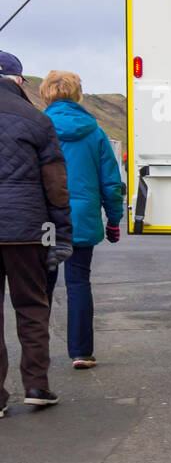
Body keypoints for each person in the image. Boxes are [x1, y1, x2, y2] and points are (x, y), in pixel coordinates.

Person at [0, 50, 72, 415]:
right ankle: (36, 385)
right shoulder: (37, 120)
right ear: (18, 81)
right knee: (30, 305)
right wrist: (62, 235)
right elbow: (56, 185)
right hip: (28, 231)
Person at [40, 70, 124, 369]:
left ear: (45, 93)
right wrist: (114, 220)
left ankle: (37, 355)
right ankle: (81, 352)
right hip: (81, 218)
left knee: (42, 287)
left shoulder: (36, 127)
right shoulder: (95, 132)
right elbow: (111, 183)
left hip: (43, 219)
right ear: (77, 94)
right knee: (78, 282)